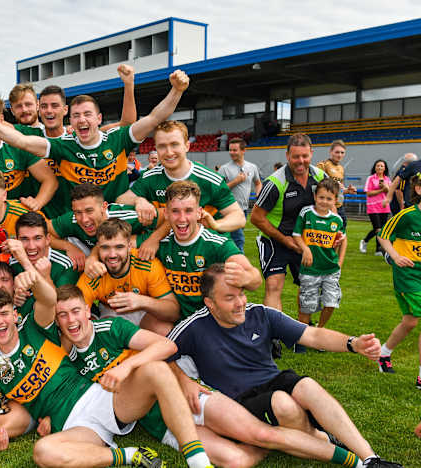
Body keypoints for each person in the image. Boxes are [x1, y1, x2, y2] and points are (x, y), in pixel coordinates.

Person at [167, 264, 403, 468]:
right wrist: (183, 380)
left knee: (307, 385)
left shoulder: (261, 314)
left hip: (273, 381)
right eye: (229, 298)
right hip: (239, 401)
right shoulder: (193, 327)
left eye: (241, 294)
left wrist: (352, 344)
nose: (240, 303)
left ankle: (371, 458)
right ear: (210, 303)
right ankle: (321, 439)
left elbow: (313, 336)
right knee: (283, 404)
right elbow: (159, 355)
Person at [0, 271, 214, 468]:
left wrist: (33, 274)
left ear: (86, 310)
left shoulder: (95, 329)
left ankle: (197, 461)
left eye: (74, 312)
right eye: (62, 315)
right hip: (78, 427)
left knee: (157, 370)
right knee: (43, 452)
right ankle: (130, 454)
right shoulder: (45, 340)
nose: (70, 320)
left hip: (102, 400)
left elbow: (47, 298)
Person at [0, 71, 189, 212]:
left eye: (87, 114)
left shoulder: (118, 139)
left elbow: (154, 118)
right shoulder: (65, 145)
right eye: (76, 116)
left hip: (115, 219)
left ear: (99, 119)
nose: (82, 120)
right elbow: (22, 141)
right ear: (71, 120)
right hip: (78, 223)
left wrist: (177, 91)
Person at [117, 120, 244, 261]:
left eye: (174, 144)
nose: (169, 152)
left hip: (207, 255)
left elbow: (238, 217)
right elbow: (121, 200)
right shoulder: (150, 178)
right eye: (162, 146)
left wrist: (216, 224)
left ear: (187, 146)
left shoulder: (209, 180)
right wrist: (139, 200)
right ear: (156, 149)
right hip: (169, 256)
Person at [154, 180, 262, 320]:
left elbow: (255, 279)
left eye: (188, 210)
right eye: (175, 211)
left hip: (212, 322)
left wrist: (246, 278)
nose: (182, 218)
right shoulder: (161, 243)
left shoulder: (217, 244)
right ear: (166, 214)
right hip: (176, 321)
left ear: (199, 213)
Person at [251, 133, 327, 312]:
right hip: (274, 240)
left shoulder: (320, 177)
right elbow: (256, 217)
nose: (301, 161)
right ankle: (275, 334)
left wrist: (336, 232)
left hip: (304, 242)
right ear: (287, 156)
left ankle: (305, 331)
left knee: (308, 287)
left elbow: (330, 207)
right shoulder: (275, 182)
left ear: (311, 154)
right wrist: (285, 240)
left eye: (305, 156)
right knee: (274, 285)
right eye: (296, 157)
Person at [78, 218, 179, 334]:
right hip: (111, 312)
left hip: (144, 309)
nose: (112, 255)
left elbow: (174, 312)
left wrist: (142, 301)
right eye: (105, 247)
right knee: (107, 332)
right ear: (98, 247)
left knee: (164, 329)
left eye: (119, 247)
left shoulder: (147, 264)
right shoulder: (93, 272)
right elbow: (77, 313)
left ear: (130, 246)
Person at [376, 174, 421, 383]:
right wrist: (395, 257)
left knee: (410, 322)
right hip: (408, 276)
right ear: (418, 190)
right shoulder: (407, 215)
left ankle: (383, 353)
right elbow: (383, 235)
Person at [49, 183, 154, 270]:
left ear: (104, 207)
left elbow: (166, 218)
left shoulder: (126, 216)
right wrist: (68, 247)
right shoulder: (71, 219)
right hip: (90, 264)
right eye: (78, 212)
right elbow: (42, 232)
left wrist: (150, 240)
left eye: (89, 211)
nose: (84, 219)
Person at [292, 178, 346, 340]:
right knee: (307, 305)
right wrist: (305, 249)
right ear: (315, 196)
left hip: (330, 269)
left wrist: (339, 262)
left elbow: (340, 241)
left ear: (335, 201)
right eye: (321, 197)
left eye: (329, 198)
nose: (324, 201)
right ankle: (302, 338)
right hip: (310, 269)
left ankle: (319, 331)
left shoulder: (337, 220)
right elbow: (296, 235)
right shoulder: (306, 213)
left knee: (331, 303)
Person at [217, 137, 262, 252]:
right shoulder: (224, 169)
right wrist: (235, 181)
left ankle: (226, 263)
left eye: (234, 150)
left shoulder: (252, 167)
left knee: (231, 240)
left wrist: (259, 195)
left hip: (244, 210)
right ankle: (239, 264)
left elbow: (257, 183)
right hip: (228, 210)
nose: (231, 153)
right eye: (230, 150)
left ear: (243, 151)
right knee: (238, 240)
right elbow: (217, 190)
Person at [315, 140, 356, 228]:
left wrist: (347, 190)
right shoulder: (323, 165)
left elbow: (339, 190)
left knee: (341, 231)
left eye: (342, 152)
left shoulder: (341, 168)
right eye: (337, 152)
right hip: (327, 206)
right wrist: (333, 184)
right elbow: (316, 187)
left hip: (339, 206)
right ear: (331, 152)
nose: (340, 155)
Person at [361, 159, 390, 255]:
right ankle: (365, 241)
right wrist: (381, 190)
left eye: (382, 166)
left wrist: (386, 188)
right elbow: (368, 193)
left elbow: (389, 193)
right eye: (378, 165)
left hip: (384, 206)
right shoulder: (370, 178)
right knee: (378, 229)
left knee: (382, 229)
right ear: (375, 167)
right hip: (373, 206)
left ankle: (378, 249)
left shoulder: (387, 179)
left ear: (385, 168)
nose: (380, 167)